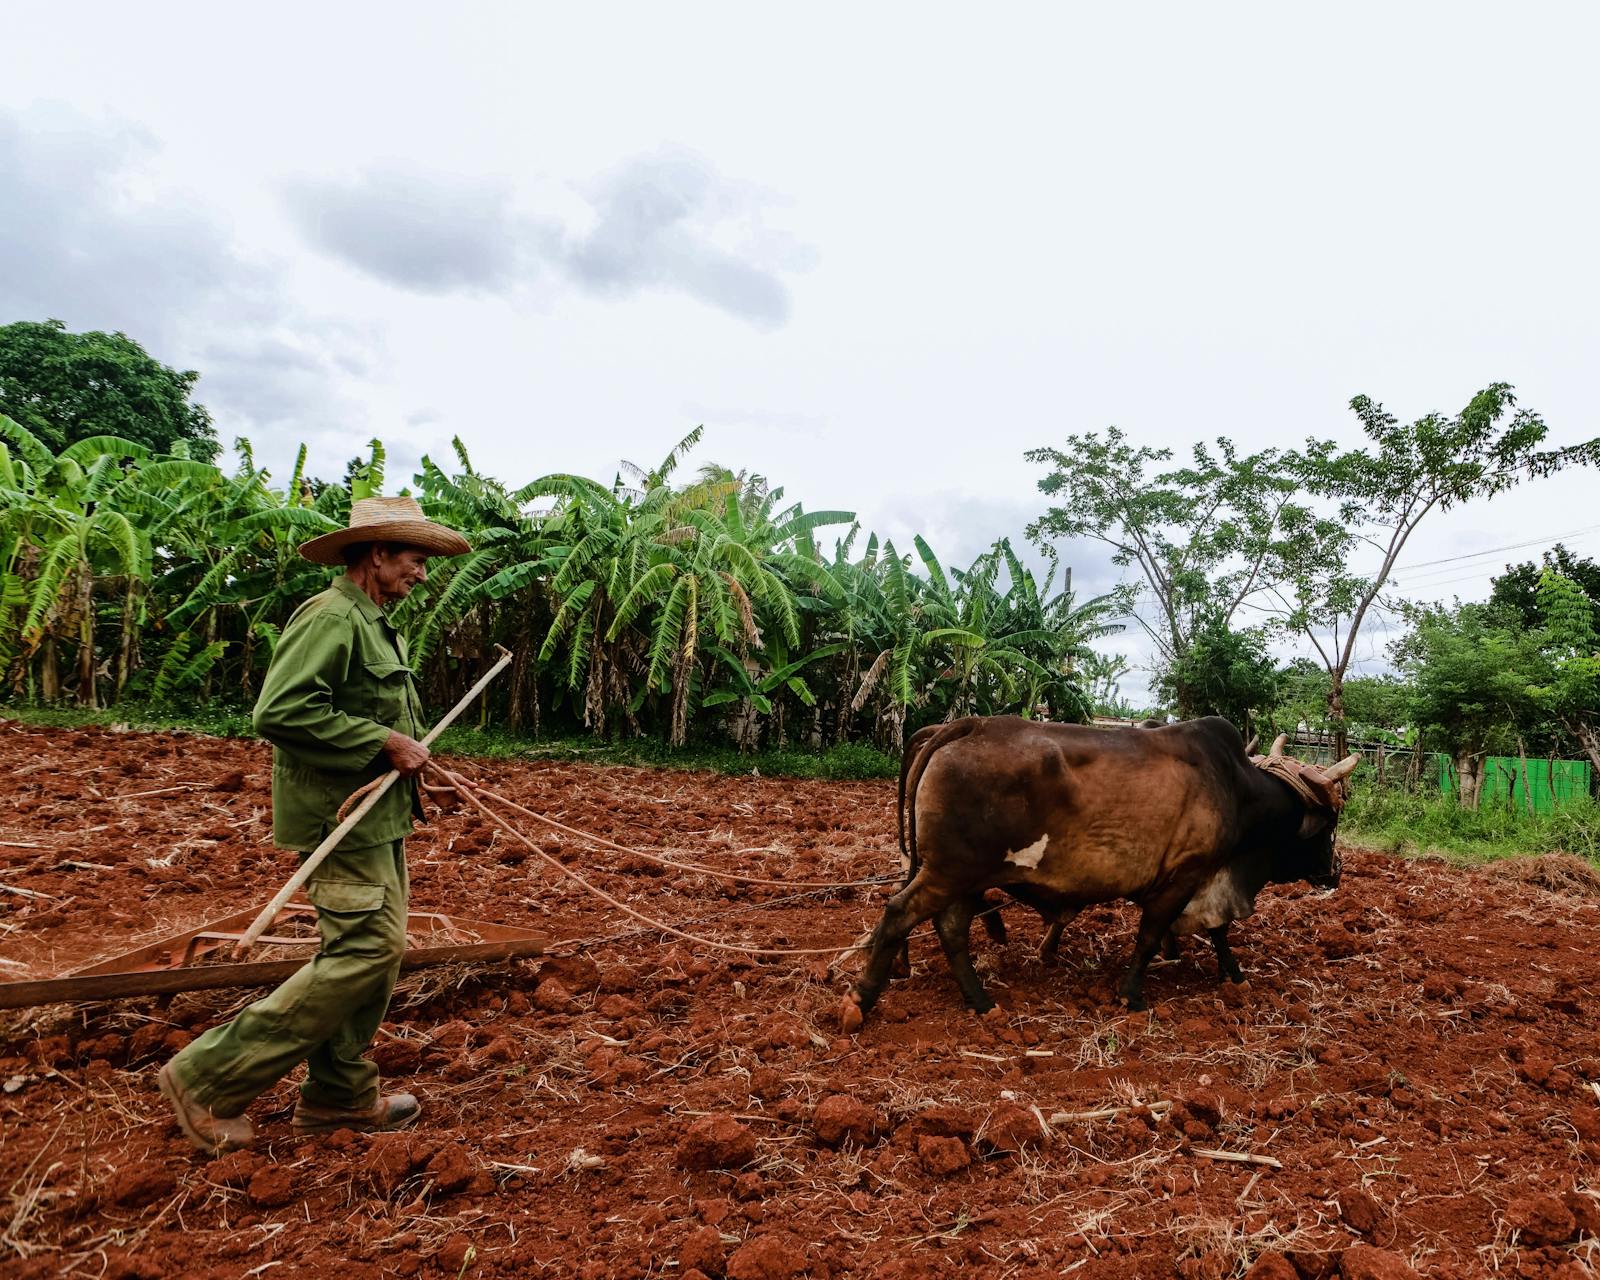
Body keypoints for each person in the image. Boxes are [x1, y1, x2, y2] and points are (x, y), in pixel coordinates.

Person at [158, 496, 471, 1153]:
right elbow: (279, 711)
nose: (422, 575)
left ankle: (338, 1096)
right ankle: (209, 1077)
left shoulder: (377, 622)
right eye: (415, 561)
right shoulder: (332, 617)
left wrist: (399, 751)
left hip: (376, 816)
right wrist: (384, 740)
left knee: (374, 958)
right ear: (378, 555)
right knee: (362, 952)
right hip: (340, 818)